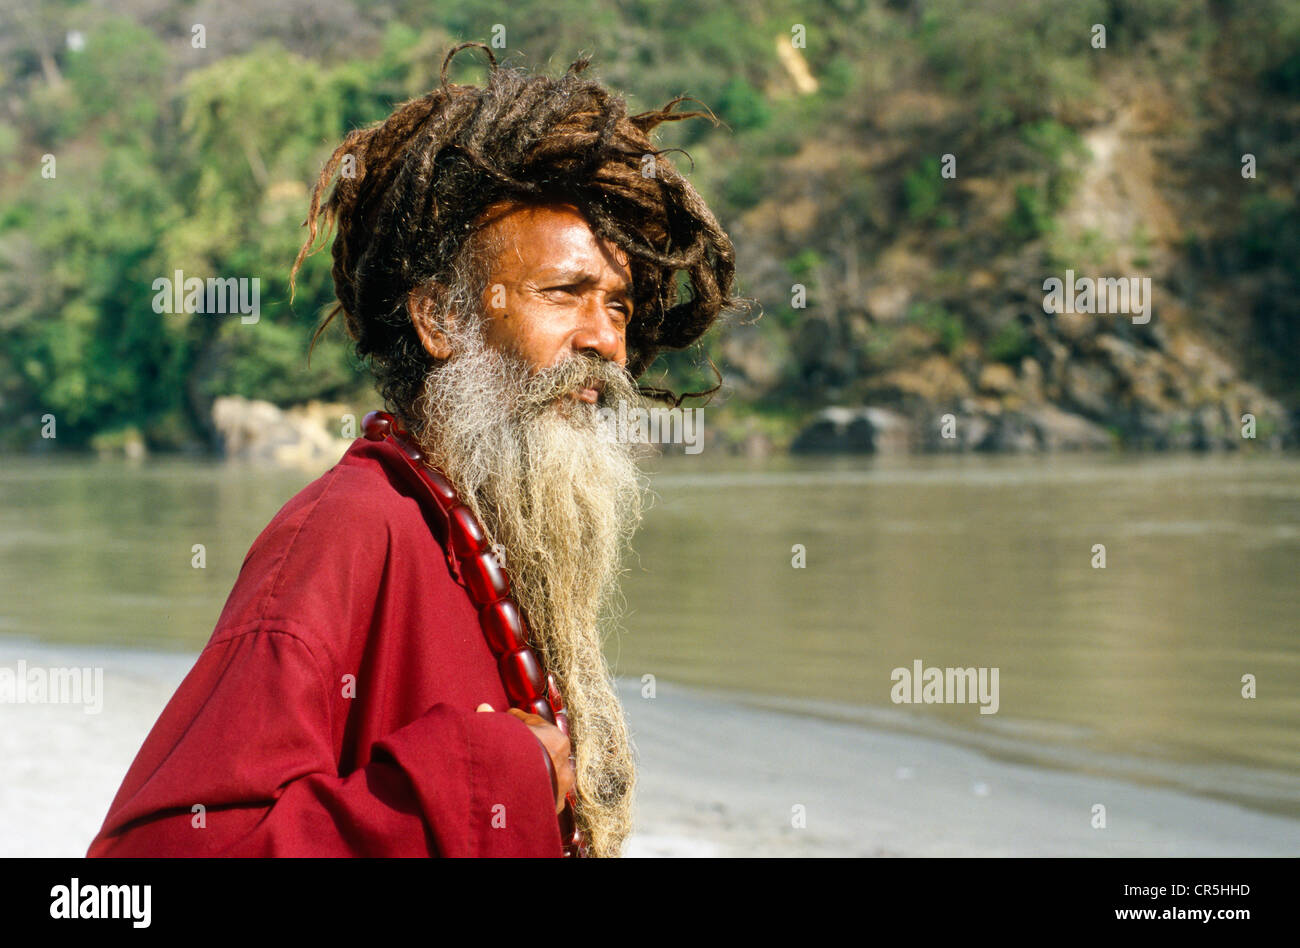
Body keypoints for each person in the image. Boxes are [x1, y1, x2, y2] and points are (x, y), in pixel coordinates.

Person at [87, 42, 738, 858]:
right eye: (564, 294)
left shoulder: (499, 530)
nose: (606, 339)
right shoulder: (346, 532)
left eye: (618, 305)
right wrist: (473, 775)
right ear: (440, 320)